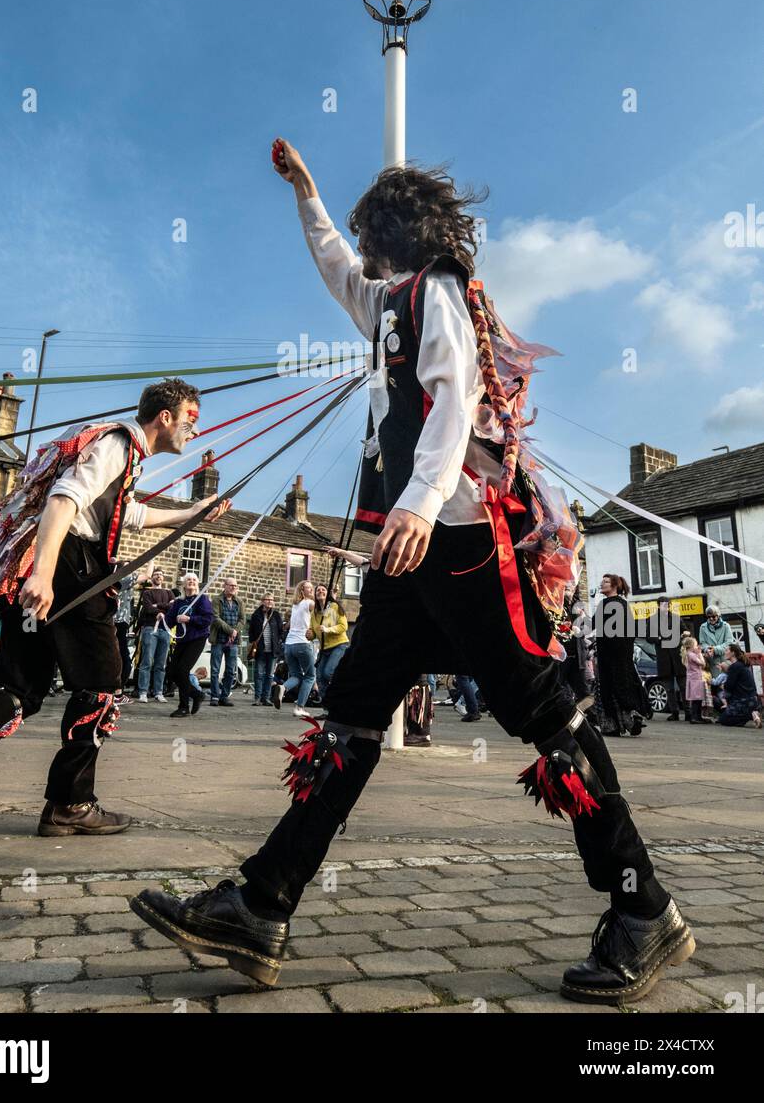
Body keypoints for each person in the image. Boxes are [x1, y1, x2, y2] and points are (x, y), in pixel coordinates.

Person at [131, 138, 692, 1007]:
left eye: (366, 231)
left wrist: (422, 503)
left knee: (545, 714)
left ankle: (641, 908)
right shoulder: (390, 298)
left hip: (461, 538)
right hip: (411, 546)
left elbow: (456, 393)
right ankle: (263, 902)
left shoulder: (436, 291)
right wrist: (307, 197)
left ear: (396, 232)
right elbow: (336, 271)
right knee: (352, 713)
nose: (359, 248)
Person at [0, 378, 231, 859]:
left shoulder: (120, 452)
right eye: (191, 421)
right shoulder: (119, 442)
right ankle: (71, 803)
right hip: (72, 567)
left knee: (18, 689)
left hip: (49, 561)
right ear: (165, 417)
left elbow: (127, 514)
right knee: (103, 686)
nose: (195, 432)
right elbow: (63, 498)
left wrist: (192, 512)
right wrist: (46, 575)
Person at [592, 575, 650, 737]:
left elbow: (596, 625)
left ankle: (613, 725)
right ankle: (631, 718)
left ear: (615, 586)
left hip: (610, 653)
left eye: (605, 582)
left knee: (608, 688)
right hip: (622, 654)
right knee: (624, 684)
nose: (601, 584)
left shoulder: (606, 604)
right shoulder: (624, 604)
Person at [166, 572, 213, 717]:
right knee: (171, 672)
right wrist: (162, 616)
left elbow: (207, 619)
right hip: (182, 640)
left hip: (197, 639)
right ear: (184, 584)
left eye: (194, 580)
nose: (191, 582)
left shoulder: (202, 599)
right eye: (188, 580)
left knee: (182, 670)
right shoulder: (179, 602)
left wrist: (189, 619)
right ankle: (196, 694)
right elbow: (170, 619)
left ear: (197, 584)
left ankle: (184, 706)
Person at [273, 581, 315, 717]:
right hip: (302, 644)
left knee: (296, 675)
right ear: (303, 590)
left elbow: (289, 624)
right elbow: (323, 606)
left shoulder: (295, 605)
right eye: (310, 588)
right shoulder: (309, 603)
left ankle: (283, 687)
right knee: (310, 676)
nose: (312, 590)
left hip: (289, 645)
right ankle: (299, 707)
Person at [136, 570, 174, 704]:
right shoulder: (147, 593)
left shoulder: (169, 593)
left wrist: (157, 606)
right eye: (156, 574)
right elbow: (147, 608)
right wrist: (159, 611)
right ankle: (143, 692)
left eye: (161, 575)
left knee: (161, 664)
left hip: (164, 629)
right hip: (150, 628)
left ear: (163, 578)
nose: (158, 576)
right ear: (152, 578)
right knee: (147, 661)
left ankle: (158, 692)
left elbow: (172, 607)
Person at [310, 584, 349, 705]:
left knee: (328, 673)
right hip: (324, 649)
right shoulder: (315, 612)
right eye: (318, 590)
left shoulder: (335, 606)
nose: (320, 591)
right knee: (320, 677)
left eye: (323, 589)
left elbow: (343, 626)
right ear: (315, 595)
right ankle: (328, 709)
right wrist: (309, 634)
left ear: (328, 594)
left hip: (339, 645)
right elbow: (313, 632)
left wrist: (328, 629)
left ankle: (343, 694)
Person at [209, 578, 245, 708]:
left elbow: (242, 620)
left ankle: (224, 696)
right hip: (218, 639)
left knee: (230, 670)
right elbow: (216, 618)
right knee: (215, 670)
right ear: (225, 586)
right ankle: (214, 696)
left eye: (235, 585)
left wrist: (235, 631)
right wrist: (230, 630)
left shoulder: (239, 602)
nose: (233, 588)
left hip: (233, 642)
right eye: (231, 585)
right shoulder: (216, 600)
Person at [248, 593, 285, 706]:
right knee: (259, 674)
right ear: (262, 601)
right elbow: (251, 632)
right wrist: (254, 643)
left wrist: (278, 642)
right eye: (267, 599)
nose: (269, 601)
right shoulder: (256, 615)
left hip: (272, 650)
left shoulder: (276, 615)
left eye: (271, 600)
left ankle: (266, 698)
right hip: (260, 650)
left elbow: (281, 631)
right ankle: (257, 698)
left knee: (269, 675)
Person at [652, 596, 684, 722]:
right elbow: (649, 637)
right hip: (664, 658)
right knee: (669, 688)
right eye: (663, 604)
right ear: (658, 605)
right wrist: (659, 638)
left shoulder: (676, 618)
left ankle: (688, 712)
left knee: (683, 686)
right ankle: (674, 712)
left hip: (677, 657)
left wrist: (685, 634)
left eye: (667, 604)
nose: (666, 607)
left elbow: (686, 631)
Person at [717, 644, 762, 729]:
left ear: (733, 653)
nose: (725, 652)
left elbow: (729, 686)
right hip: (752, 700)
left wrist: (723, 685)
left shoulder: (734, 667)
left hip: (743, 701)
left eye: (727, 650)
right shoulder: (742, 664)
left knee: (724, 720)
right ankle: (751, 714)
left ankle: (751, 714)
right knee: (726, 713)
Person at [683, 636, 711, 725]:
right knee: (696, 699)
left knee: (698, 699)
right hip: (695, 679)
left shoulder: (688, 654)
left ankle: (698, 716)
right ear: (691, 646)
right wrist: (699, 654)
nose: (697, 647)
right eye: (695, 645)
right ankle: (694, 717)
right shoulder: (691, 655)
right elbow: (703, 663)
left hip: (694, 678)